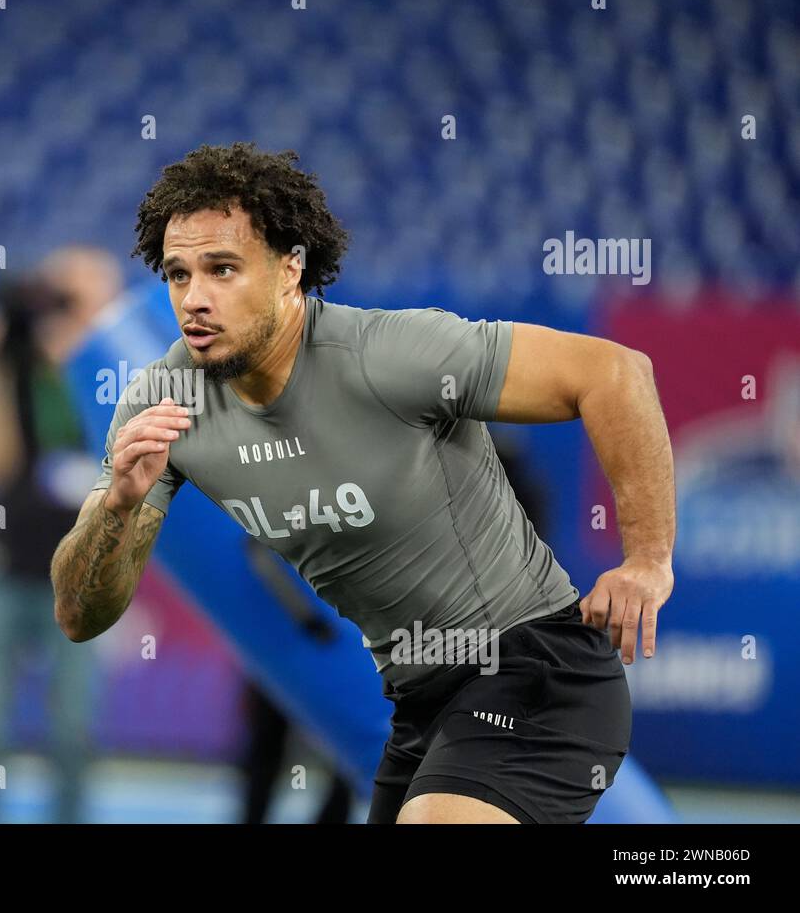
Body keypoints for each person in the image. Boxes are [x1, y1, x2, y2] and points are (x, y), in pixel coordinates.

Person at [51, 142, 676, 824]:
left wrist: (646, 559)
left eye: (222, 269)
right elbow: (82, 615)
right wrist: (117, 506)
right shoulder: (163, 402)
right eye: (177, 275)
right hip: (419, 705)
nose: (194, 299)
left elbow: (614, 374)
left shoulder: (387, 355)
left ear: (291, 267)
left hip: (536, 671)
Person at [0, 246, 123, 824]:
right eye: (58, 297)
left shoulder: (118, 374)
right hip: (4, 566)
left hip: (85, 576)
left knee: (74, 737)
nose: (66, 313)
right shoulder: (13, 366)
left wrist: (86, 356)